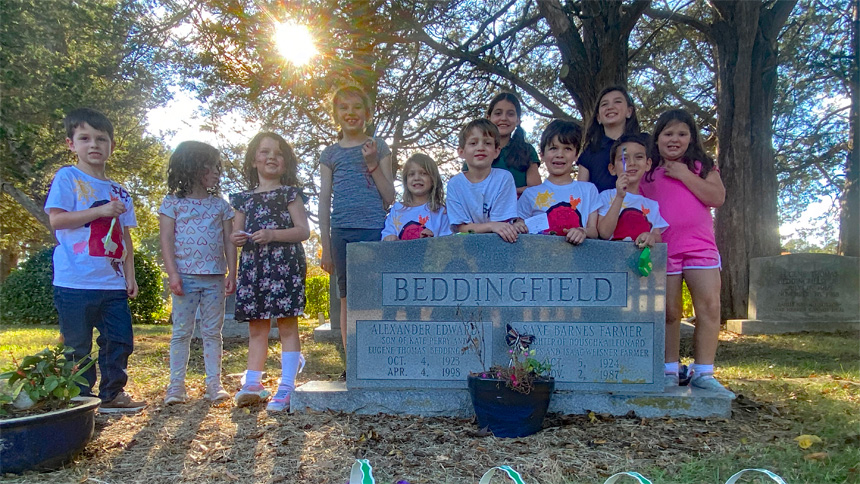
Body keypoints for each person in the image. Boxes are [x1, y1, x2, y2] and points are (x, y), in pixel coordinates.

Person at [45, 107, 145, 412]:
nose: (94, 145)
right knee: (77, 345)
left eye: (101, 139)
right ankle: (81, 400)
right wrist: (99, 211)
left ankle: (112, 394)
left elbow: (125, 238)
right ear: (71, 144)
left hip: (112, 282)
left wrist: (130, 275)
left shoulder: (120, 192)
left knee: (119, 339)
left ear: (111, 145)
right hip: (74, 281)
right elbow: (57, 220)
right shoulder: (68, 177)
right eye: (85, 138)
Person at [641, 109, 732, 397]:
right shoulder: (648, 172)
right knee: (669, 311)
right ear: (657, 138)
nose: (674, 139)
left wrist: (683, 174)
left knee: (709, 307)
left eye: (682, 133)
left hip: (700, 247)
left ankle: (703, 372)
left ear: (691, 138)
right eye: (668, 133)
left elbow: (716, 197)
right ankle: (669, 369)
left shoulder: (701, 166)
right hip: (664, 249)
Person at [230, 132, 310, 411]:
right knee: (257, 326)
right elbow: (235, 233)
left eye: (278, 153)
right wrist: (237, 238)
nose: (271, 157)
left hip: (285, 266)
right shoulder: (242, 199)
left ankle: (287, 385)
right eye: (265, 152)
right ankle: (253, 383)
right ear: (254, 160)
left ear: (286, 163)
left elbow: (303, 231)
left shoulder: (290, 194)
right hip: (254, 268)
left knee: (287, 324)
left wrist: (273, 234)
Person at [159, 141, 236, 405]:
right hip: (185, 278)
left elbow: (229, 241)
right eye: (209, 166)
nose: (216, 172)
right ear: (191, 167)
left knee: (212, 332)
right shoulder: (172, 203)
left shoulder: (221, 206)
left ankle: (214, 384)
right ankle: (176, 386)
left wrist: (232, 273)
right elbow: (166, 239)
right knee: (181, 332)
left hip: (215, 278)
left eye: (217, 167)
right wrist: (173, 274)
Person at [319, 86, 395, 350]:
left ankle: (376, 355)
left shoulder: (378, 147)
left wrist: (372, 162)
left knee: (376, 295)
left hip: (374, 229)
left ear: (368, 113)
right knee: (347, 298)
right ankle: (352, 360)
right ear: (335, 114)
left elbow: (390, 196)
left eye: (357, 107)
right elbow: (324, 201)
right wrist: (326, 247)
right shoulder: (330, 154)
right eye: (344, 107)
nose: (350, 112)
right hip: (342, 232)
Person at [517, 119, 599, 245]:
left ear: (576, 155)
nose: (560, 154)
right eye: (553, 148)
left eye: (567, 149)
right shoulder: (530, 194)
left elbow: (594, 231)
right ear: (542, 154)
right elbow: (519, 225)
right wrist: (518, 226)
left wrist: (583, 231)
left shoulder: (588, 190)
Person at [447, 119, 526, 243]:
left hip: (498, 243)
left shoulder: (504, 178)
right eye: (473, 143)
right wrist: (490, 226)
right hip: (466, 245)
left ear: (496, 151)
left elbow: (501, 225)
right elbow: (461, 228)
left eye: (487, 143)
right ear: (461, 152)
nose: (480, 148)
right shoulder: (455, 184)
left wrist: (495, 226)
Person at [597, 133, 668, 247]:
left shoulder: (652, 205)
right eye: (624, 159)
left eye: (638, 157)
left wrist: (650, 237)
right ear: (612, 168)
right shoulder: (606, 196)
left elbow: (658, 238)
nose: (632, 163)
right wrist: (619, 196)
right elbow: (604, 233)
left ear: (648, 164)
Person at [473, 92, 541, 195]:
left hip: (519, 205)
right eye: (498, 113)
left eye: (510, 114)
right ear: (488, 118)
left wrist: (506, 194)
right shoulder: (476, 149)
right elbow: (468, 188)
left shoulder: (527, 150)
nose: (504, 118)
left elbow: (536, 189)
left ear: (518, 120)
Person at [578, 85, 642, 192]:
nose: (610, 107)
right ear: (598, 117)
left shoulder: (644, 143)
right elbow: (581, 192)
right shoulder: (590, 151)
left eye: (617, 101)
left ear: (629, 111)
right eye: (604, 104)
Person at [382, 153, 451, 241]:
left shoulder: (441, 212)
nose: (417, 178)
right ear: (406, 180)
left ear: (433, 179)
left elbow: (446, 243)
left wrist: (431, 240)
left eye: (423, 173)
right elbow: (386, 236)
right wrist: (390, 238)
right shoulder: (397, 209)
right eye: (411, 174)